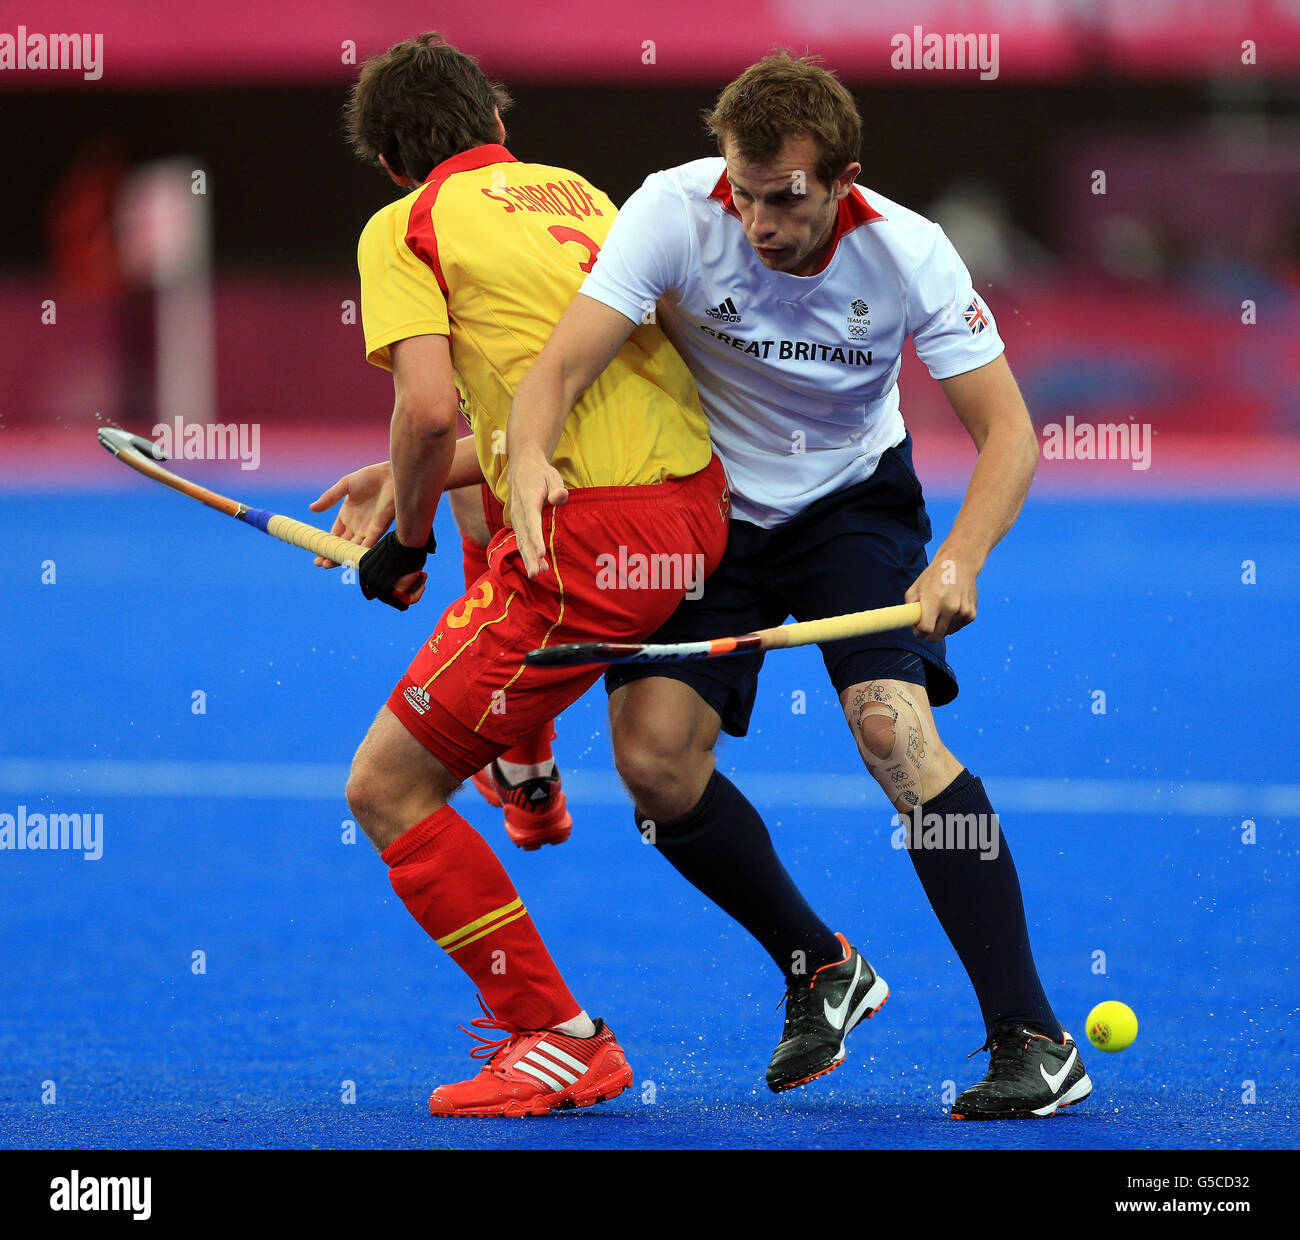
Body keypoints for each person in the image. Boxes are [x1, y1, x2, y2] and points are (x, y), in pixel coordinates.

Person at [507, 51, 1090, 1119]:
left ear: (842, 180)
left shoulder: (910, 251)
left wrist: (957, 557)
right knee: (652, 763)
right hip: (704, 510)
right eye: (745, 191)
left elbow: (1008, 432)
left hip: (850, 508)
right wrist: (528, 455)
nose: (761, 222)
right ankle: (818, 963)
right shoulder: (671, 211)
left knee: (891, 732)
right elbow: (555, 371)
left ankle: (1032, 1036)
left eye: (786, 198)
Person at [321, 31, 730, 1118]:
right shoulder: (576, 195)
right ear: (495, 123)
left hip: (584, 548)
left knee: (387, 786)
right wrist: (412, 484)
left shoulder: (402, 224)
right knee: (480, 519)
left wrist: (400, 542)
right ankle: (526, 762)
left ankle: (555, 1034)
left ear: (390, 164)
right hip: (692, 514)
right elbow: (511, 419)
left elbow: (425, 408)